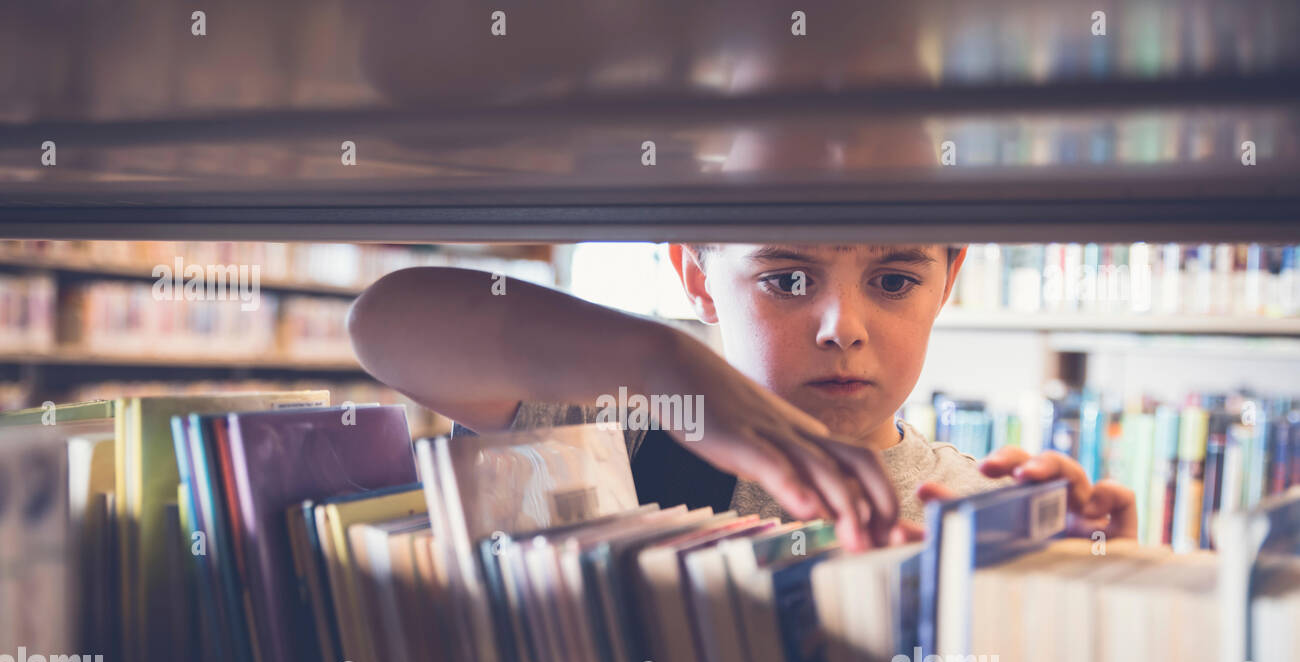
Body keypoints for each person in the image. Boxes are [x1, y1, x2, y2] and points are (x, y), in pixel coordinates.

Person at [346, 243, 1137, 552]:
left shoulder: (974, 500)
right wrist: (663, 363)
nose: (842, 326)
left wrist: (1098, 570)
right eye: (786, 280)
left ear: (949, 278)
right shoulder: (608, 437)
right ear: (695, 273)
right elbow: (385, 322)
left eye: (894, 281)